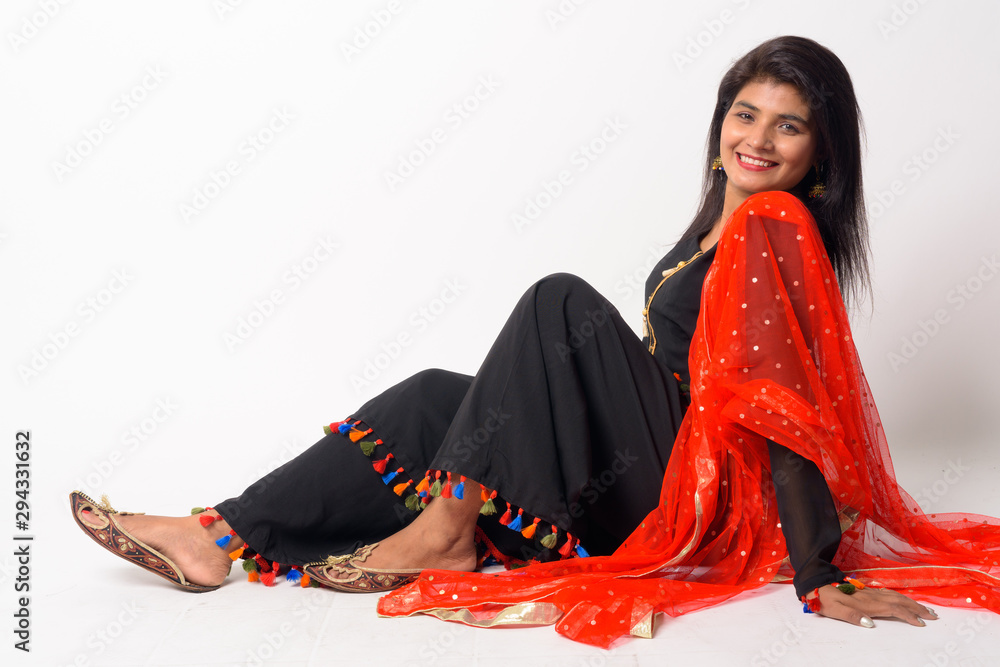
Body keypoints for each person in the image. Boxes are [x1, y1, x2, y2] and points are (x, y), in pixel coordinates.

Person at [71, 35, 1000, 648]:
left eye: (788, 125)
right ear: (721, 121)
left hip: (693, 489)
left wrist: (817, 572)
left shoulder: (773, 230)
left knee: (556, 300)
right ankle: (215, 535)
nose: (757, 137)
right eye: (744, 113)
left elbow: (777, 401)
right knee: (439, 393)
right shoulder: (723, 216)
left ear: (821, 152)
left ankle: (446, 534)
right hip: (654, 451)